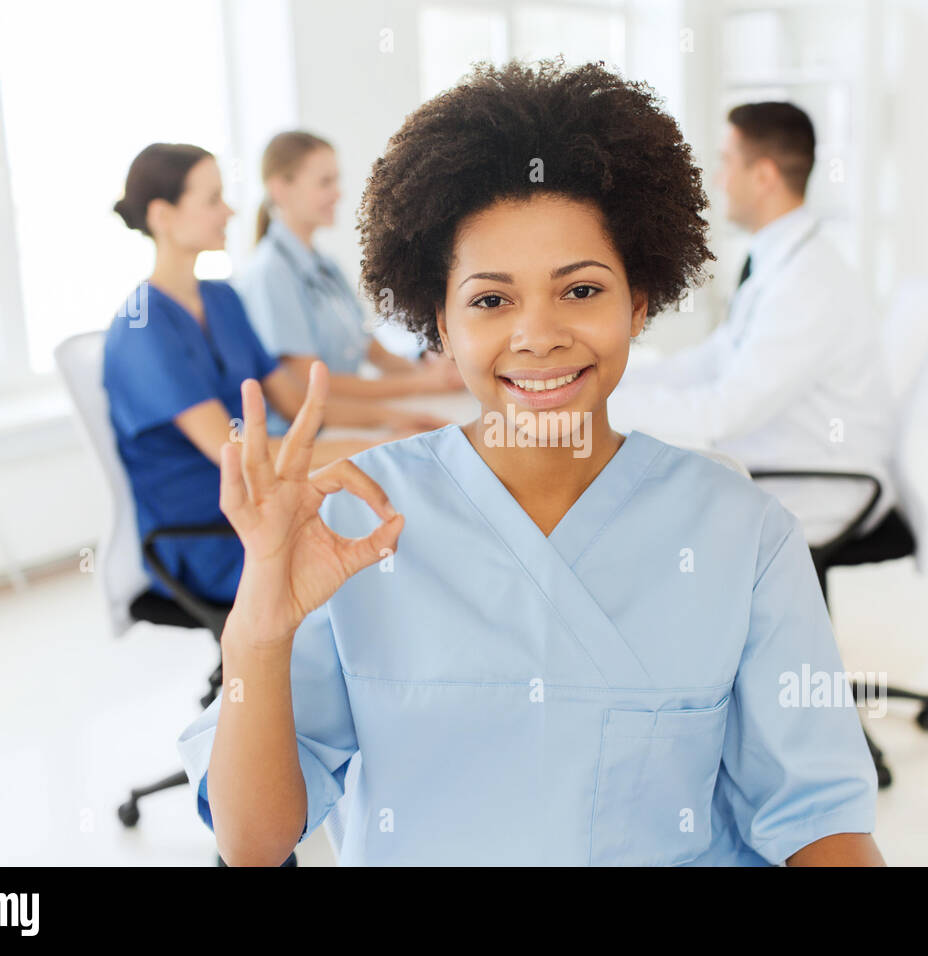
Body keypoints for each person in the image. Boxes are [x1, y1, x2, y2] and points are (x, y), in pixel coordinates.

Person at [177, 60, 883, 866]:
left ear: (639, 301)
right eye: (490, 300)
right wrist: (259, 634)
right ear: (436, 324)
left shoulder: (741, 534)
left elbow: (820, 819)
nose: (538, 334)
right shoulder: (354, 520)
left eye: (581, 291)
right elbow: (254, 842)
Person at [608, 102, 896, 548]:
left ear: (763, 176)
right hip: (782, 453)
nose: (719, 180)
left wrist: (598, 410)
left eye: (727, 162)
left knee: (633, 497)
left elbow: (723, 413)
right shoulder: (780, 259)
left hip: (819, 484)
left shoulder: (808, 283)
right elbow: (712, 360)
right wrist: (611, 380)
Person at [104, 143, 376, 606]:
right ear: (162, 215)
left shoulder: (223, 301)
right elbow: (236, 454)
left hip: (264, 505)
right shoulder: (141, 327)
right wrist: (378, 447)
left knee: (389, 530)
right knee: (375, 563)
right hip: (210, 536)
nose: (229, 211)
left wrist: (403, 424)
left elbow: (297, 404)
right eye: (212, 200)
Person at [235, 129, 463, 435]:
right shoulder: (269, 273)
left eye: (336, 180)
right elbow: (310, 383)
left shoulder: (326, 267)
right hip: (307, 436)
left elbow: (371, 349)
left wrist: (434, 374)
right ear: (280, 188)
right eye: (325, 182)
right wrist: (422, 383)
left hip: (345, 421)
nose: (339, 193)